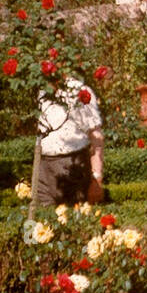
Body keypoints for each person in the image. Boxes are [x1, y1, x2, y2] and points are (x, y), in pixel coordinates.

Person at [34, 77, 104, 206]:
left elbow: (96, 137)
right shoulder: (41, 90)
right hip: (43, 165)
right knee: (43, 219)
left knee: (74, 217)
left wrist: (97, 178)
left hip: (71, 164)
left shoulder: (79, 91)